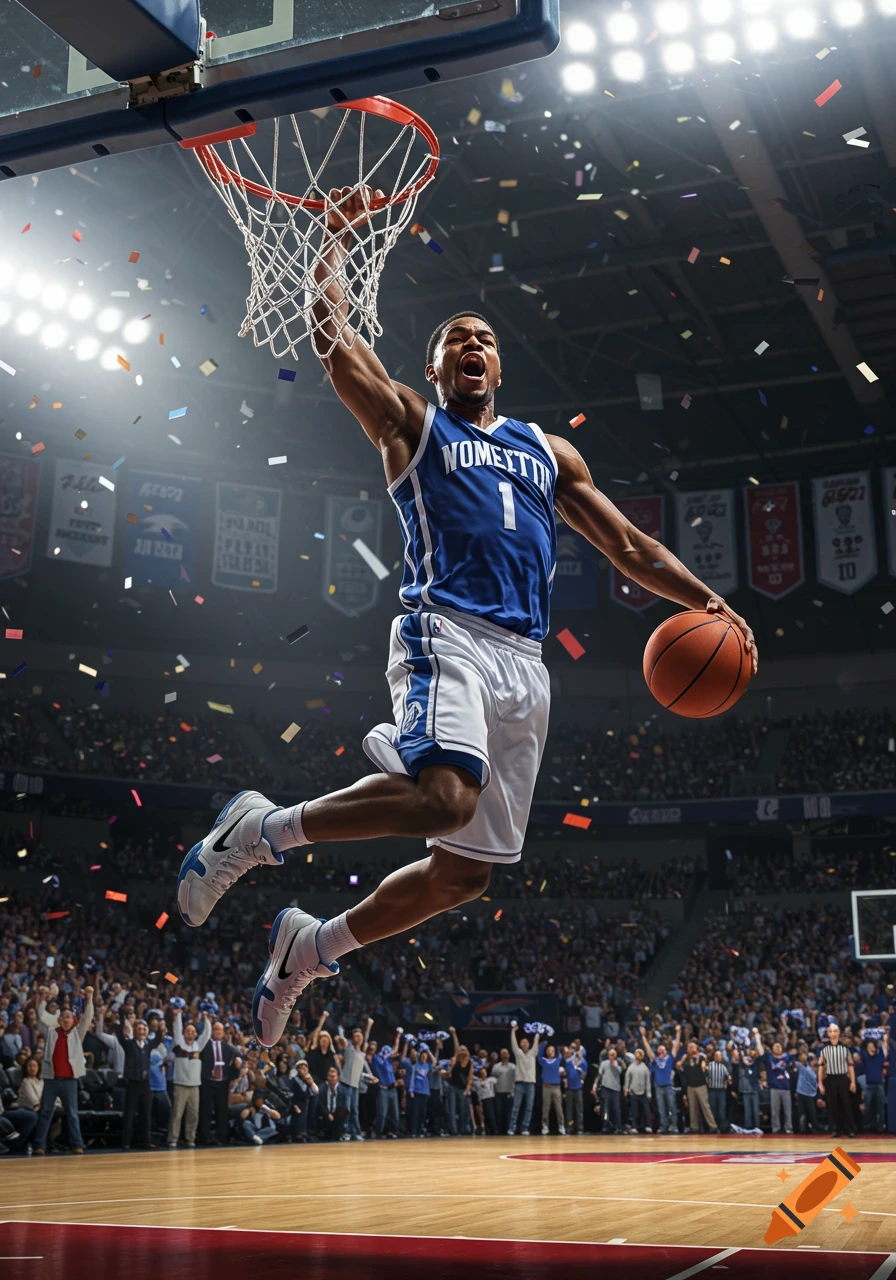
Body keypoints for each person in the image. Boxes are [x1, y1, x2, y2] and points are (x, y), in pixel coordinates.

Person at [175, 195, 757, 1048]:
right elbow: (337, 351)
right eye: (457, 339)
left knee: (463, 877)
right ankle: (258, 831)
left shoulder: (548, 452)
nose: (473, 345)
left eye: (484, 336)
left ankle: (310, 947)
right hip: (443, 629)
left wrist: (705, 600)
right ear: (438, 367)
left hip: (526, 664)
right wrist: (333, 245)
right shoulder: (415, 423)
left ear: (501, 363)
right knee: (445, 800)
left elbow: (629, 545)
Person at [33, 985, 94, 1156]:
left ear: (73, 1020)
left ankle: (77, 1144)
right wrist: (43, 998)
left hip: (69, 1080)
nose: (66, 1019)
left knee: (72, 1114)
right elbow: (40, 1017)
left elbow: (88, 1016)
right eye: (63, 1017)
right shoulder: (51, 1032)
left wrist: (89, 998)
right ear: (59, 1020)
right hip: (52, 1079)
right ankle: (39, 1145)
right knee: (45, 1112)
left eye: (69, 1017)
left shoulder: (77, 1033)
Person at [168, 1009, 211, 1149]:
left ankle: (190, 1139)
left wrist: (206, 1020)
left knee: (193, 1115)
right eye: (188, 1031)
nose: (191, 1033)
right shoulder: (179, 1044)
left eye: (193, 1031)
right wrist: (179, 1015)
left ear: (196, 1034)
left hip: (194, 1086)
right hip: (180, 1084)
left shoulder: (199, 1046)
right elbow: (177, 1029)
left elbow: (207, 1034)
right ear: (184, 1033)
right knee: (177, 1115)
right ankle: (173, 1139)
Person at [116, 1015, 155, 1150]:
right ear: (134, 1030)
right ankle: (126, 1142)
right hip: (132, 1082)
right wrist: (122, 1020)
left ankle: (146, 1140)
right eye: (139, 1029)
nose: (142, 1031)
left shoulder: (148, 1045)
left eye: (144, 1029)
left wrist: (161, 1029)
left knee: (146, 1113)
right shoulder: (129, 1044)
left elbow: (159, 1038)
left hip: (145, 1082)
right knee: (130, 1113)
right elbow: (120, 1036)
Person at [200, 1020, 238, 1146]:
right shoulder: (204, 1046)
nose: (217, 1032)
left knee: (222, 1110)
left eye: (219, 1030)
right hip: (208, 1082)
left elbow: (238, 1060)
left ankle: (222, 1137)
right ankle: (205, 1137)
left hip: (222, 1082)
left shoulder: (228, 1048)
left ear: (223, 1033)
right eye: (215, 1030)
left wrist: (237, 1064)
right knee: (205, 1110)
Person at [640, 1023, 680, 1135]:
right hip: (658, 1086)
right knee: (661, 1109)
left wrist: (678, 1032)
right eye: (659, 1051)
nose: (661, 1053)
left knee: (672, 1107)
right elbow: (648, 1050)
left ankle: (674, 1126)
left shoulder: (670, 1059)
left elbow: (676, 1046)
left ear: (666, 1051)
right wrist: (643, 1036)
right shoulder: (655, 1060)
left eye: (663, 1051)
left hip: (668, 1086)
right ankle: (664, 1127)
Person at [818, 1022, 856, 1138]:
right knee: (832, 1106)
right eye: (831, 1031)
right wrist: (820, 1083)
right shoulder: (824, 1050)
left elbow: (850, 1066)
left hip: (843, 1078)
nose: (833, 1033)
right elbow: (821, 1068)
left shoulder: (845, 1049)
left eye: (835, 1031)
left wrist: (853, 1082)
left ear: (839, 1033)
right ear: (828, 1033)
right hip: (830, 1079)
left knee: (846, 1104)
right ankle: (835, 1129)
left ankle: (849, 1128)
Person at [338, 1018, 373, 1142]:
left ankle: (355, 1132)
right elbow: (342, 1038)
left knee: (355, 1111)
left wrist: (370, 1077)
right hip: (345, 1084)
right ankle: (345, 1132)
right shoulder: (350, 1049)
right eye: (356, 1036)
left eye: (360, 1036)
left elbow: (359, 1072)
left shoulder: (362, 1054)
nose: (359, 1038)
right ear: (353, 1038)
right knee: (346, 1110)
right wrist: (368, 1025)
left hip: (354, 1086)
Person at [754, 1028, 793, 1135]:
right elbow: (761, 1051)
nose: (777, 1048)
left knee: (787, 1110)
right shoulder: (769, 1058)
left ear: (782, 1049)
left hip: (785, 1086)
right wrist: (757, 1038)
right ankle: (775, 1129)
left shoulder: (787, 1057)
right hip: (774, 1087)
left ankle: (788, 1128)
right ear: (772, 1049)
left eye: (779, 1046)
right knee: (775, 1111)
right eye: (775, 1046)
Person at [677, 1041, 718, 1135]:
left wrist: (703, 1064)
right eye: (689, 1047)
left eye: (692, 1047)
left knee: (705, 1106)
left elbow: (705, 1065)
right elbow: (679, 1067)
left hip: (701, 1085)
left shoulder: (701, 1056)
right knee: (692, 1108)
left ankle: (713, 1126)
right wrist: (683, 1059)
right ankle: (694, 1127)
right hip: (690, 1086)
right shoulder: (686, 1058)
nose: (691, 1048)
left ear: (696, 1048)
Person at [508, 1022, 538, 1136]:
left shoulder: (532, 1053)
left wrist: (537, 1033)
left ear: (528, 1044)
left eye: (526, 1042)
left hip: (530, 1084)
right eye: (522, 1042)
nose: (524, 1043)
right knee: (516, 1107)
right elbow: (513, 1044)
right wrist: (513, 1032)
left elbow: (536, 1043)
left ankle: (525, 1128)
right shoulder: (519, 1053)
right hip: (519, 1083)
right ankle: (512, 1127)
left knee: (529, 1107)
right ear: (521, 1044)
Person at [370, 1031, 401, 1138]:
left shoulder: (389, 1060)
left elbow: (396, 1049)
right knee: (382, 1113)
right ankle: (377, 1131)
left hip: (392, 1088)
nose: (391, 1054)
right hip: (382, 1088)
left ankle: (393, 1132)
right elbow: (370, 1053)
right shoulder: (376, 1058)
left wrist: (398, 1037)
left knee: (395, 1113)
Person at [855, 1037, 886, 1134]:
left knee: (880, 1107)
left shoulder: (880, 1056)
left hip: (879, 1084)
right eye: (870, 1046)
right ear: (867, 1048)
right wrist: (866, 1036)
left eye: (873, 1046)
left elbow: (883, 1048)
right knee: (867, 1107)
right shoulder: (865, 1056)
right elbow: (862, 1047)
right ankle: (865, 1126)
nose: (872, 1048)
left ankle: (880, 1126)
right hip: (869, 1084)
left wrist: (881, 1039)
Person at [594, 1047, 623, 1134]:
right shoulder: (604, 1063)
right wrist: (594, 1085)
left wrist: (615, 1065)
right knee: (605, 1108)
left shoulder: (619, 1062)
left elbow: (620, 1071)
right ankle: (606, 1126)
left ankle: (618, 1127)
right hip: (605, 1088)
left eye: (613, 1055)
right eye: (610, 1054)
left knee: (616, 1109)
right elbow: (599, 1075)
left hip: (615, 1089)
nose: (612, 1056)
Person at [538, 1042, 565, 1136]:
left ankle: (561, 1126)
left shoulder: (558, 1060)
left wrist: (557, 1047)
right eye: (549, 1050)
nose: (551, 1052)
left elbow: (560, 1054)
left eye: (552, 1050)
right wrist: (542, 1045)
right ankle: (545, 1126)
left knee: (559, 1108)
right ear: (546, 1051)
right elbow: (539, 1055)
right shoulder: (543, 1061)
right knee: (545, 1108)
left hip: (557, 1087)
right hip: (547, 1087)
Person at [624, 1047, 652, 1134]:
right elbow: (627, 1079)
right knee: (634, 1111)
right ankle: (634, 1126)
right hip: (633, 1091)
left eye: (640, 1054)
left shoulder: (645, 1068)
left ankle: (647, 1126)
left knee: (646, 1110)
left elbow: (647, 1081)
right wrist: (626, 1088)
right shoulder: (631, 1067)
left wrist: (649, 1093)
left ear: (642, 1056)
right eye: (637, 1054)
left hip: (643, 1092)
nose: (638, 1055)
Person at [732, 1046, 760, 1132]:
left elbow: (759, 1055)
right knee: (747, 1111)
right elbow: (736, 1059)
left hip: (754, 1089)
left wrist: (754, 1052)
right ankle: (748, 1128)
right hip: (745, 1089)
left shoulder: (755, 1063)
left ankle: (757, 1127)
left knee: (755, 1110)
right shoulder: (740, 1064)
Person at [489, 1045, 515, 1137]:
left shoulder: (513, 1067)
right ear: (500, 1055)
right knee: (499, 1112)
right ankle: (499, 1130)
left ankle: (509, 1129)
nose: (504, 1054)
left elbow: (515, 1080)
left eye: (506, 1052)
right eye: (502, 1053)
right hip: (498, 1092)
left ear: (508, 1055)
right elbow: (492, 1079)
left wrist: (513, 1091)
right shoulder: (496, 1066)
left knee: (509, 1112)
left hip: (509, 1092)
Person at [561, 1044, 586, 1135]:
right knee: (569, 1109)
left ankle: (579, 1127)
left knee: (579, 1110)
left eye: (575, 1049)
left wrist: (582, 1080)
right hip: (569, 1089)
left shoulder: (582, 1061)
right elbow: (564, 1073)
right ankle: (569, 1126)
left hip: (578, 1088)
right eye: (571, 1048)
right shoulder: (567, 1061)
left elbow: (584, 1073)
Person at [705, 1050, 732, 1134]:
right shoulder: (710, 1065)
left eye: (719, 1056)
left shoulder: (723, 1067)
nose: (717, 1057)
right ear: (714, 1057)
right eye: (716, 1055)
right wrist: (707, 1083)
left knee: (721, 1110)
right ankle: (713, 1127)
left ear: (721, 1057)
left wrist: (727, 1082)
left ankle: (722, 1128)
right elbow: (705, 1075)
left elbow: (728, 1077)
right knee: (712, 1110)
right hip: (712, 1090)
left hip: (721, 1091)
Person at [318, 1066, 348, 1141]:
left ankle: (340, 1134)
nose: (331, 1078)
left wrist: (334, 1114)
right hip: (325, 1114)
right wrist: (327, 1113)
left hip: (337, 1115)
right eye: (329, 1076)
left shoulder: (343, 1089)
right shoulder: (322, 1088)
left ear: (337, 1077)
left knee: (343, 1112)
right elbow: (321, 1103)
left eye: (333, 1076)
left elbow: (344, 1105)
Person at [794, 1050, 820, 1134]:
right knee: (802, 1112)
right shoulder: (801, 1067)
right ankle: (803, 1129)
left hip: (810, 1093)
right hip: (801, 1092)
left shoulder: (813, 1071)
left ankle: (814, 1127)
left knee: (811, 1112)